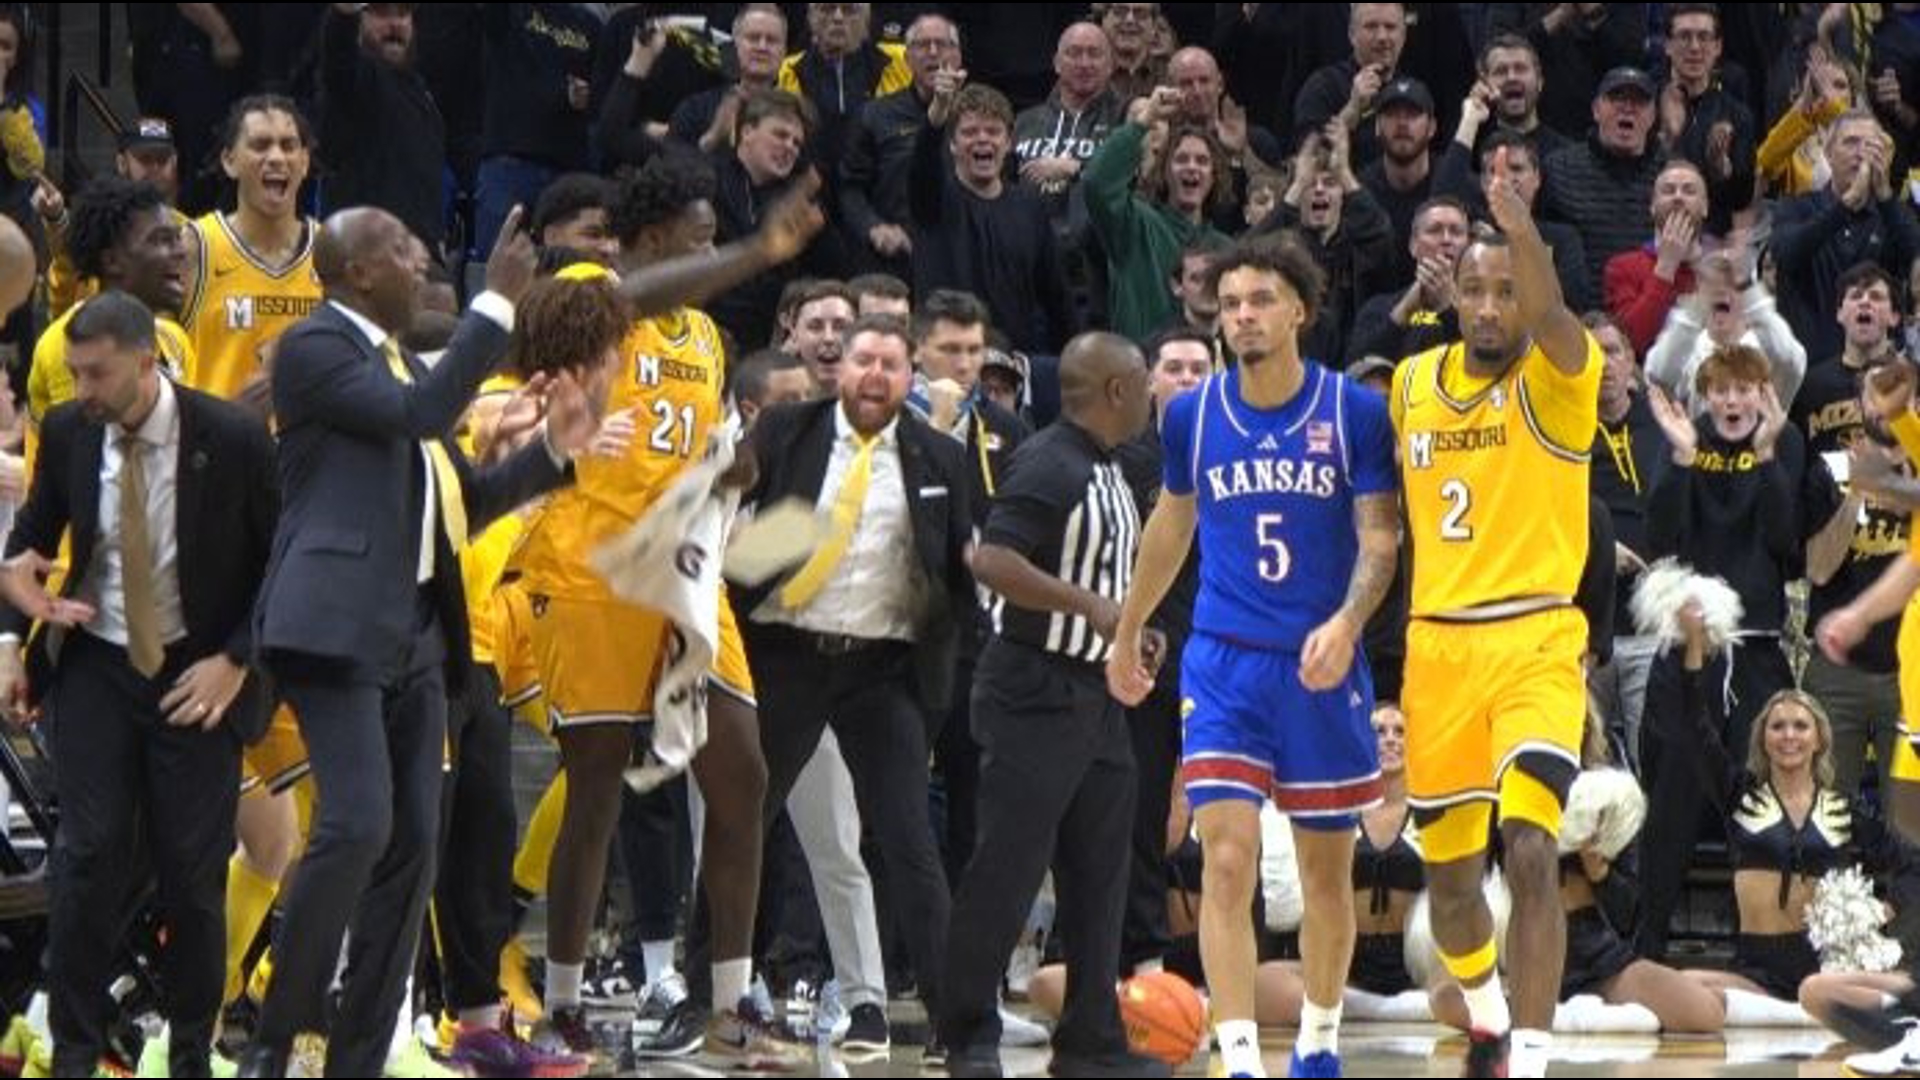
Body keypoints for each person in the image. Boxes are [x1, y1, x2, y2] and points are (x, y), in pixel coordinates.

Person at [234, 205, 592, 1078]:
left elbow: (466, 502)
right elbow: (428, 407)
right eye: (400, 245)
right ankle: (274, 1043)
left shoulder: (392, 369)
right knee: (357, 825)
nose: (421, 252)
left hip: (420, 638)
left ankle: (359, 1056)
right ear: (356, 270)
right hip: (332, 626)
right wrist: (498, 305)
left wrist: (553, 448)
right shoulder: (319, 347)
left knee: (410, 853)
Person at [1109, 235, 1400, 1080]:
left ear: (1300, 309)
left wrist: (1347, 623)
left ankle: (1317, 1040)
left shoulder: (1353, 412)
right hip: (1224, 662)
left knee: (1324, 876)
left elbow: (1380, 539)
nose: (1242, 316)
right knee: (1225, 858)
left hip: (1322, 665)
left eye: (1260, 300)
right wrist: (1127, 633)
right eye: (1230, 304)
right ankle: (1238, 1059)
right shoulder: (1192, 414)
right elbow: (1172, 522)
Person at [0, 290, 278, 1078]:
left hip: (198, 669)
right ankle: (74, 1052)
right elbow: (28, 544)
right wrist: (12, 635)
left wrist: (237, 659)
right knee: (85, 857)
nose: (81, 389)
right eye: (75, 373)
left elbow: (281, 564)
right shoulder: (69, 432)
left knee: (193, 877)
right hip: (96, 661)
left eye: (96, 373)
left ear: (145, 360)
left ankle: (188, 1054)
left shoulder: (230, 436)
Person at [1388, 148, 1603, 1079]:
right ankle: (1485, 1017)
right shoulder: (1411, 385)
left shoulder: (1561, 378)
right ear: (1452, 299)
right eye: (1473, 290)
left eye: (1503, 290)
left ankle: (1536, 1055)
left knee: (1529, 844)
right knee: (1448, 884)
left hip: (1536, 639)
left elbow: (1556, 315)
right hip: (1436, 649)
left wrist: (1520, 229)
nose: (1488, 306)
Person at [734, 314, 976, 1067]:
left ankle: (953, 1021)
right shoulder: (785, 434)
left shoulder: (938, 455)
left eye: (890, 364)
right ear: (840, 371)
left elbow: (958, 574)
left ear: (910, 378)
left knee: (908, 841)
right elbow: (741, 546)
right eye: (863, 360)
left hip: (882, 669)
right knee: (746, 824)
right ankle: (706, 992)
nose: (875, 374)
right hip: (788, 657)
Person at [941, 331, 1161, 1078]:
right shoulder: (1048, 460)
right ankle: (965, 1032)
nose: (1152, 397)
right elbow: (994, 558)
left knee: (1101, 874)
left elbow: (1103, 582)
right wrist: (1093, 610)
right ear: (1116, 392)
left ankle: (1091, 1041)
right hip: (1033, 689)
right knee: (1006, 866)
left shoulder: (1108, 467)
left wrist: (1129, 633)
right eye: (1143, 383)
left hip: (1096, 695)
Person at [177, 95, 322, 405]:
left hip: (308, 450)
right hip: (221, 448)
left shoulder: (331, 251)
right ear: (229, 161)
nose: (276, 157)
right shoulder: (194, 246)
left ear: (305, 161)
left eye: (288, 146)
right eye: (260, 145)